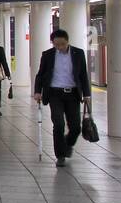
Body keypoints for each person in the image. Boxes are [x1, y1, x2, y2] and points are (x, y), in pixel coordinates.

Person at [34, 28, 91, 167]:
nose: (60, 47)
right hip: (55, 94)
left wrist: (87, 94)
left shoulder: (78, 53)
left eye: (62, 44)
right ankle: (60, 155)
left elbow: (83, 75)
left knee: (76, 127)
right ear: (52, 43)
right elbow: (40, 75)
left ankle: (68, 144)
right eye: (56, 44)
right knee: (58, 124)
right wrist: (37, 91)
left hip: (72, 94)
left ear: (68, 41)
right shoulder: (48, 55)